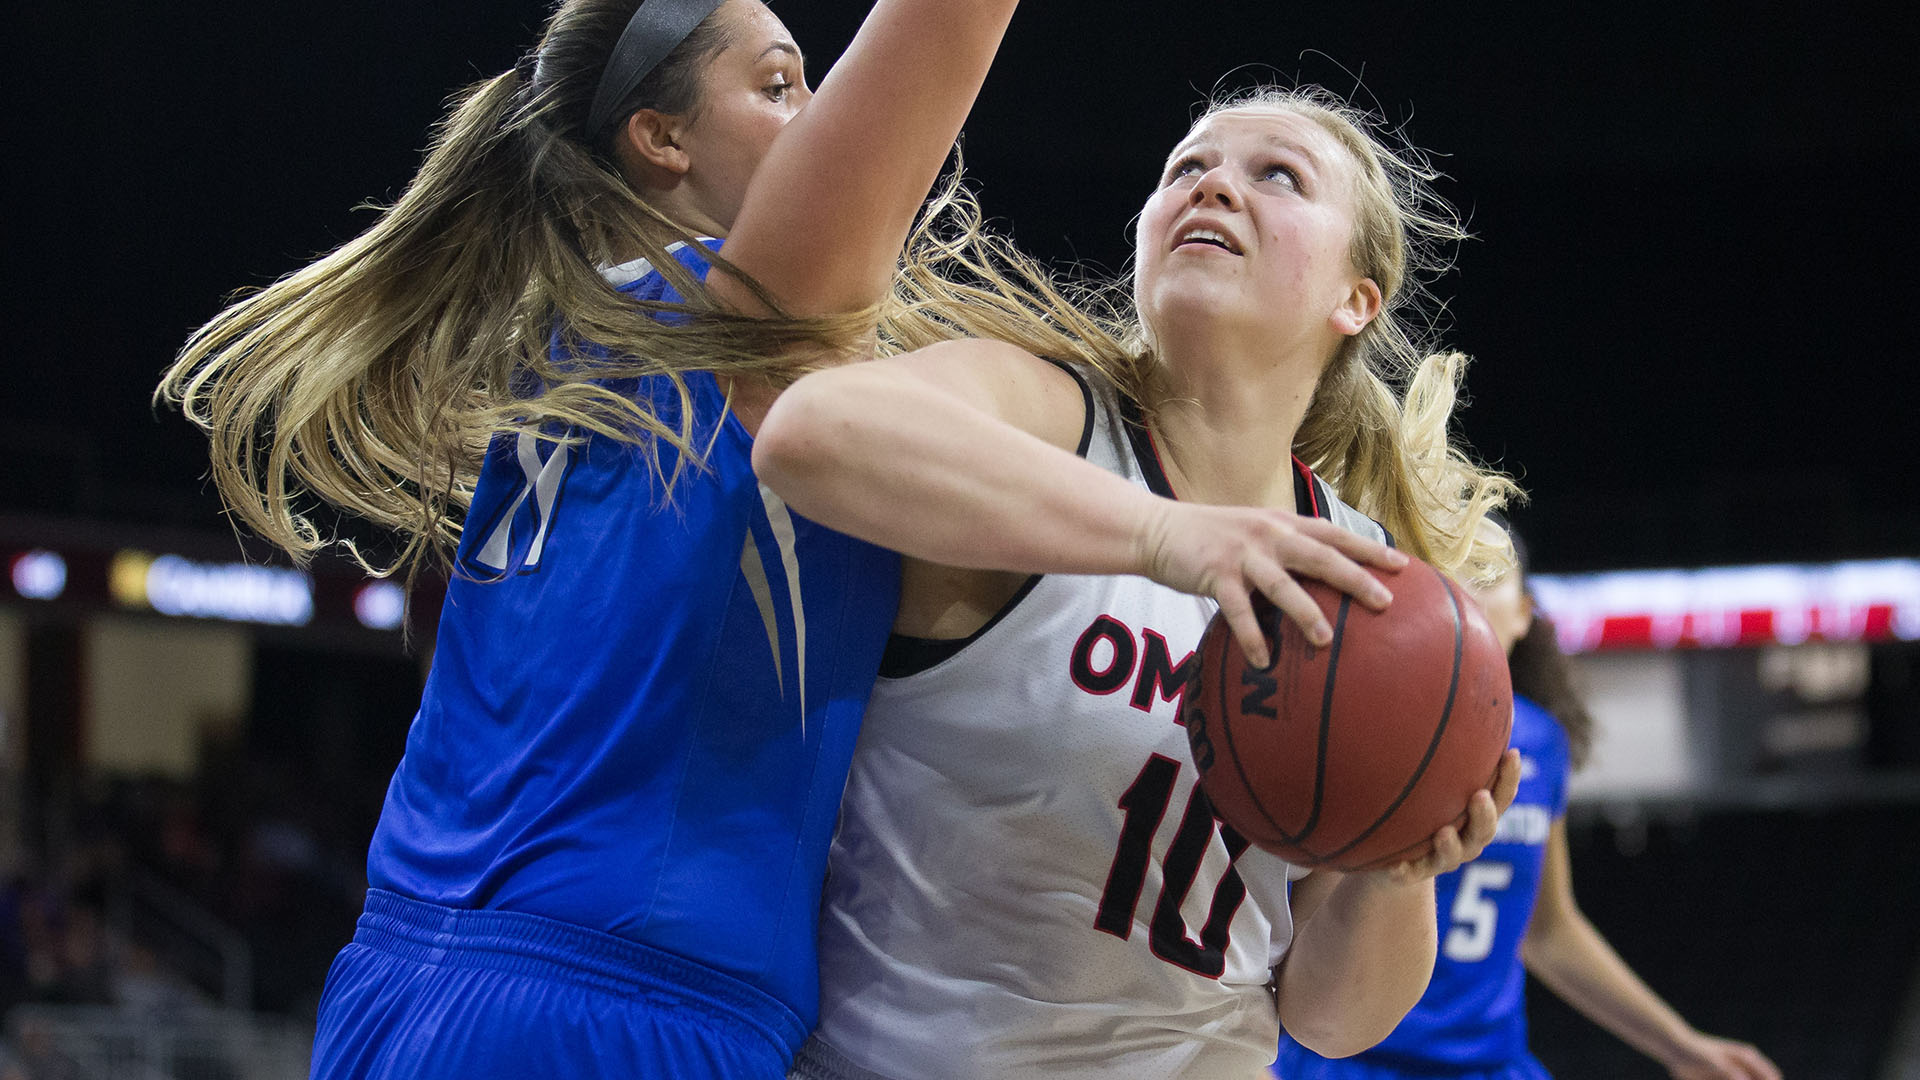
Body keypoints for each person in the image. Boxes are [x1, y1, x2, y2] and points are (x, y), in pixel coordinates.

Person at [157, 3, 1409, 1077]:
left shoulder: (582, 342)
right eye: (780, 86)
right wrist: (1167, 536)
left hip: (402, 978)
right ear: (662, 141)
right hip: (628, 995)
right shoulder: (742, 317)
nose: (823, 120)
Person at [751, 87, 1526, 1077]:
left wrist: (1391, 872)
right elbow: (813, 434)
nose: (1213, 186)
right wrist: (1168, 537)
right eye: (1185, 170)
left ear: (1354, 298)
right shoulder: (1044, 416)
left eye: (1276, 174)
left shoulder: (1368, 581)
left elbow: (1331, 1021)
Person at [1272, 531, 1782, 1080]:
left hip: (1490, 1063)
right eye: (1450, 568)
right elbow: (1296, 918)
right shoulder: (1362, 723)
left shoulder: (1543, 742)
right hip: (1349, 1060)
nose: (1468, 588)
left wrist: (1682, 1047)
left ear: (1523, 614)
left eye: (1489, 574)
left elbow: (1549, 931)